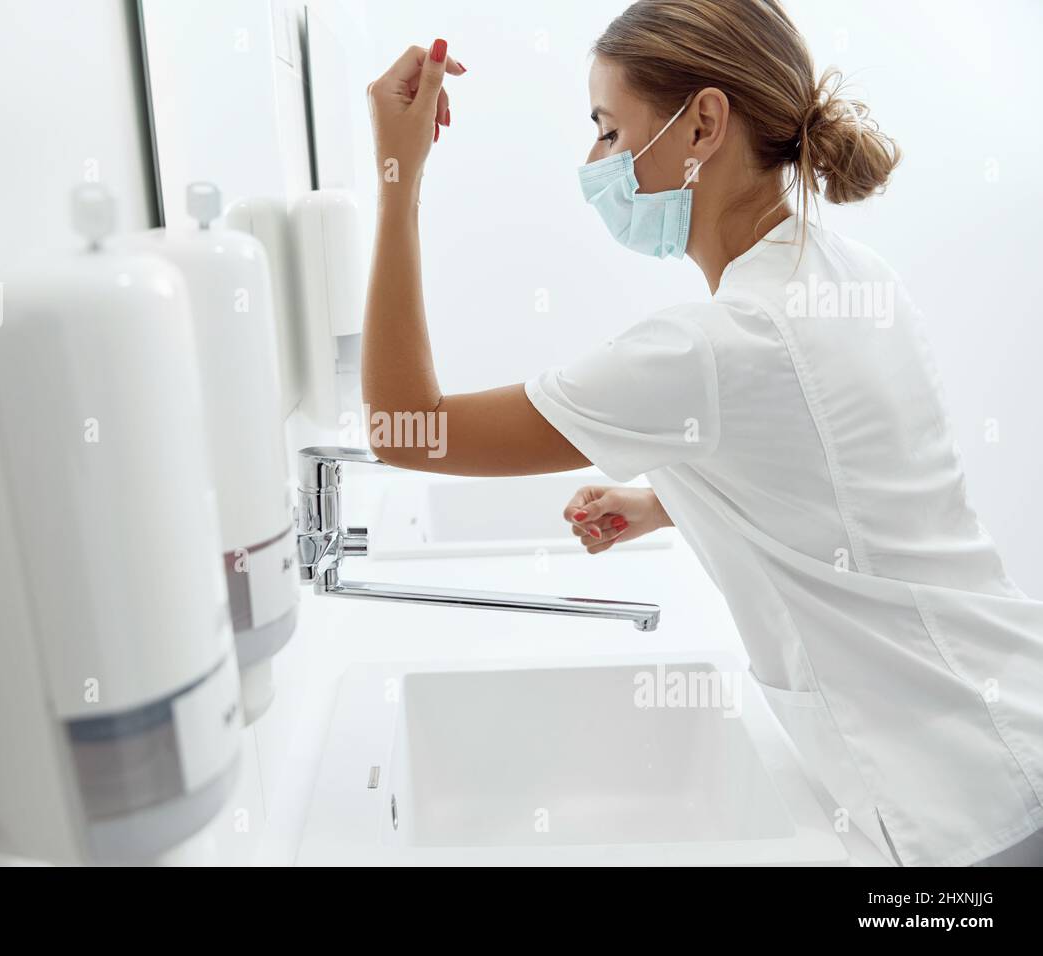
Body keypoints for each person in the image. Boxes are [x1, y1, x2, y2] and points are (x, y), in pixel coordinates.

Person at [360, 0, 1043, 866]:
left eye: (609, 131)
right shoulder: (841, 273)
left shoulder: (708, 349)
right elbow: (844, 478)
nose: (594, 162)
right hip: (1012, 727)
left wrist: (397, 176)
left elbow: (405, 428)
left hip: (969, 810)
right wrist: (668, 500)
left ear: (703, 124)